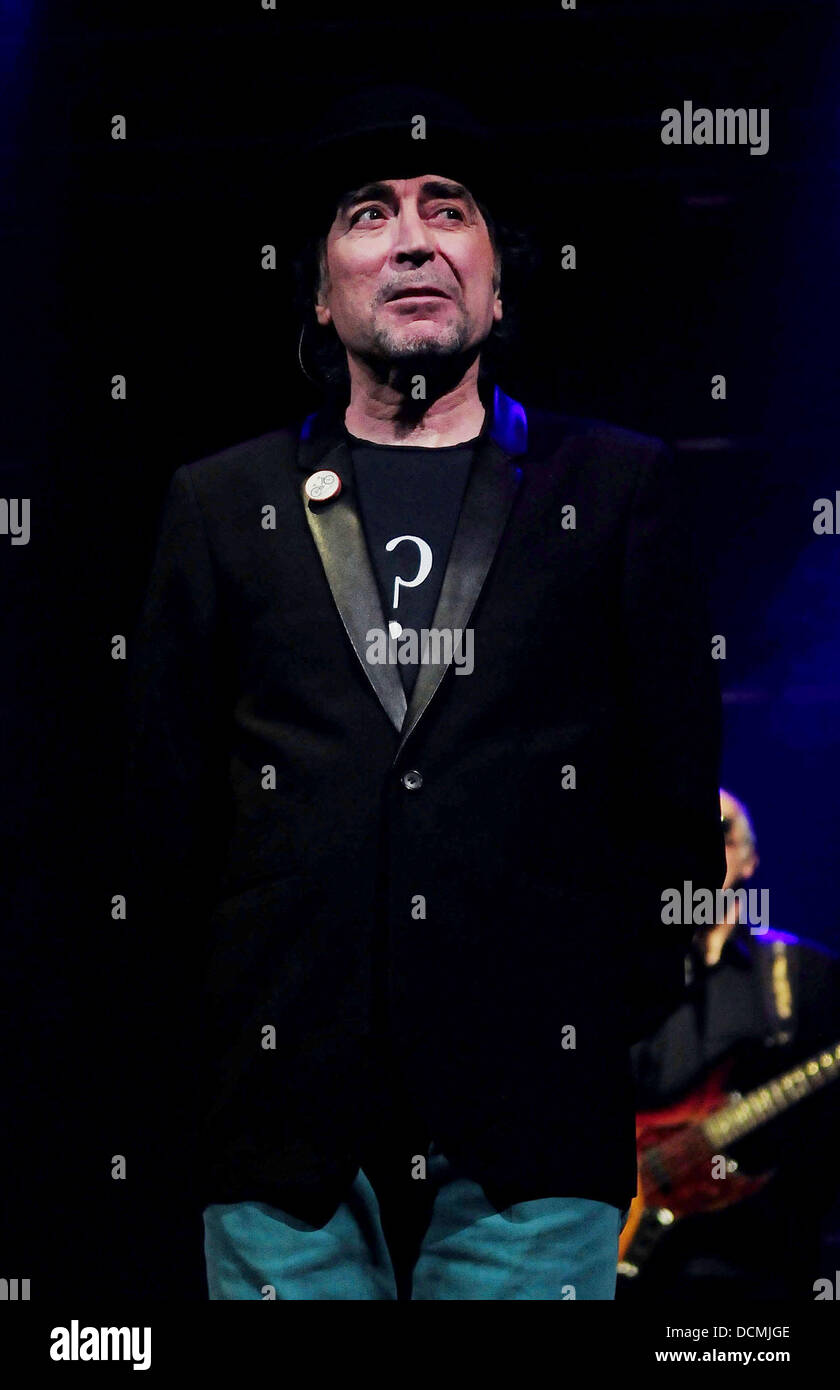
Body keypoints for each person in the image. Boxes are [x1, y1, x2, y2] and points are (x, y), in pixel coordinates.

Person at [124, 85, 725, 1300]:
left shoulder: (615, 487)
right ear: (320, 289)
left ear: (498, 285)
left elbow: (672, 800)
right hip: (279, 1124)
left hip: (532, 1125)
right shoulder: (215, 502)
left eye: (447, 210)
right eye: (368, 214)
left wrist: (607, 1030)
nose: (410, 237)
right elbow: (162, 816)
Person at [621, 789, 840, 1300]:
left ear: (750, 859)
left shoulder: (804, 977)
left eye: (719, 833)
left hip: (749, 1271)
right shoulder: (623, 977)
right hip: (624, 1254)